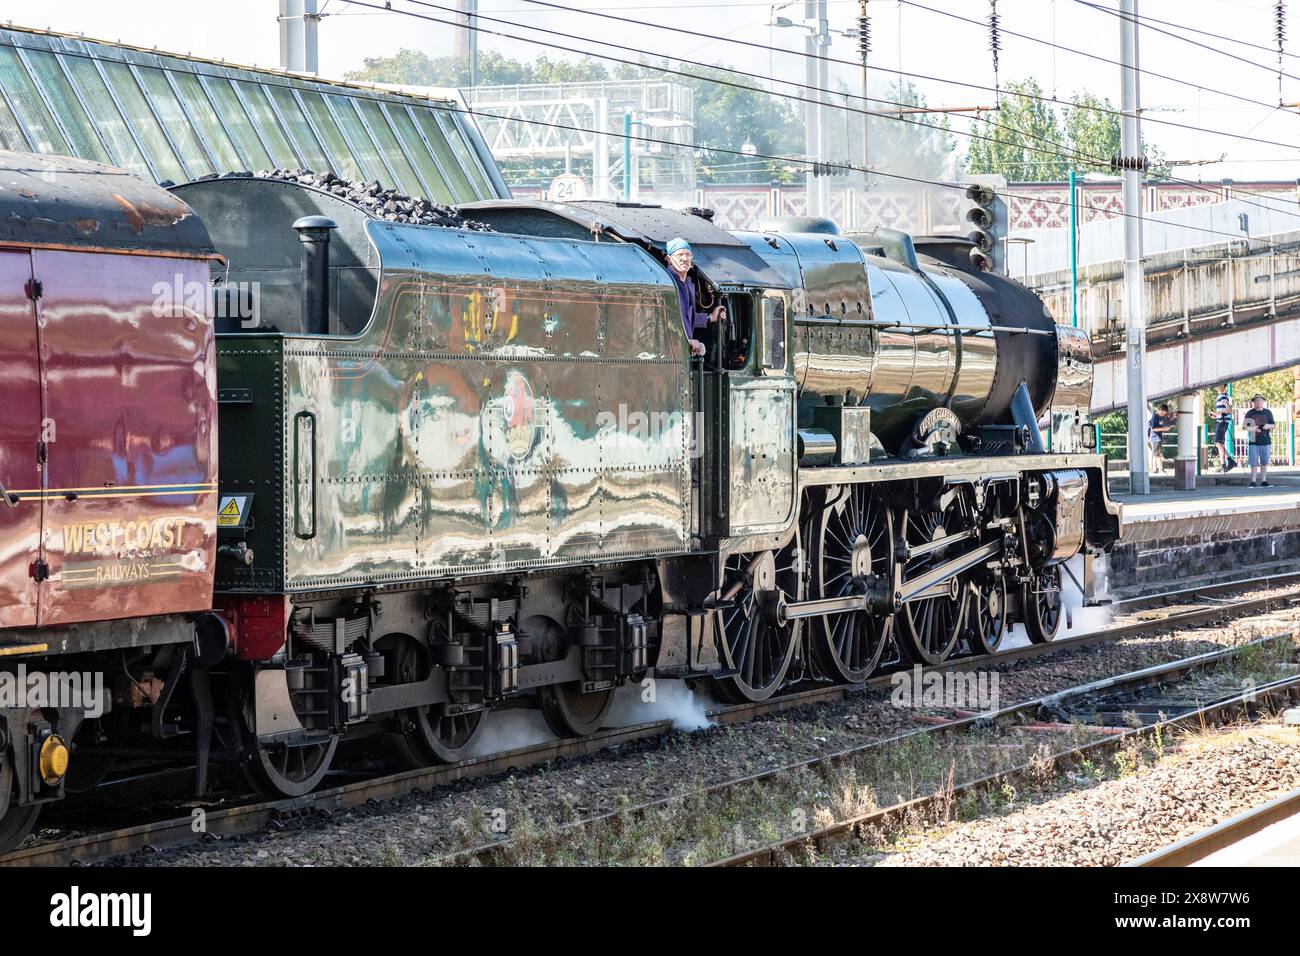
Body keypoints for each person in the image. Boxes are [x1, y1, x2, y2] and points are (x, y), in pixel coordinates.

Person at [665, 237, 724, 359]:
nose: (685, 258)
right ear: (669, 259)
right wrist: (687, 340)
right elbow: (666, 318)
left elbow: (687, 317)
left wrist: (711, 317)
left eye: (688, 254)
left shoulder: (687, 284)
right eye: (680, 254)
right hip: (670, 351)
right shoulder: (667, 283)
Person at [1243, 393, 1275, 488]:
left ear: (1263, 402)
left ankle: (1263, 480)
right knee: (1254, 462)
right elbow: (1244, 426)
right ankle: (1253, 481)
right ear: (1253, 402)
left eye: (1260, 400)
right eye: (1256, 400)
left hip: (1265, 440)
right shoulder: (1250, 413)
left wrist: (1267, 426)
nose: (1258, 402)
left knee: (1264, 461)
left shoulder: (1268, 412)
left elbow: (1273, 425)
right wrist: (1252, 429)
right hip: (1253, 440)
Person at [1213, 383, 1237, 473]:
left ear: (1222, 385)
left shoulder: (1223, 397)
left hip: (1222, 422)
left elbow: (1229, 410)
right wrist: (1215, 415)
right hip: (1220, 421)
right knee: (1219, 443)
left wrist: (1218, 413)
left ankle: (1225, 463)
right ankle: (1227, 462)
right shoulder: (1220, 397)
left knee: (1218, 443)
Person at [1147, 403, 1175, 475]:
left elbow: (1166, 422)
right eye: (1162, 413)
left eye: (1164, 413)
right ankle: (1160, 469)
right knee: (1158, 454)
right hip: (1155, 437)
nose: (1163, 415)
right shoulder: (1155, 417)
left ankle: (1154, 469)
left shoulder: (1161, 416)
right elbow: (1154, 428)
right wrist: (1164, 428)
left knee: (1155, 453)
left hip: (1158, 437)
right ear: (1159, 410)